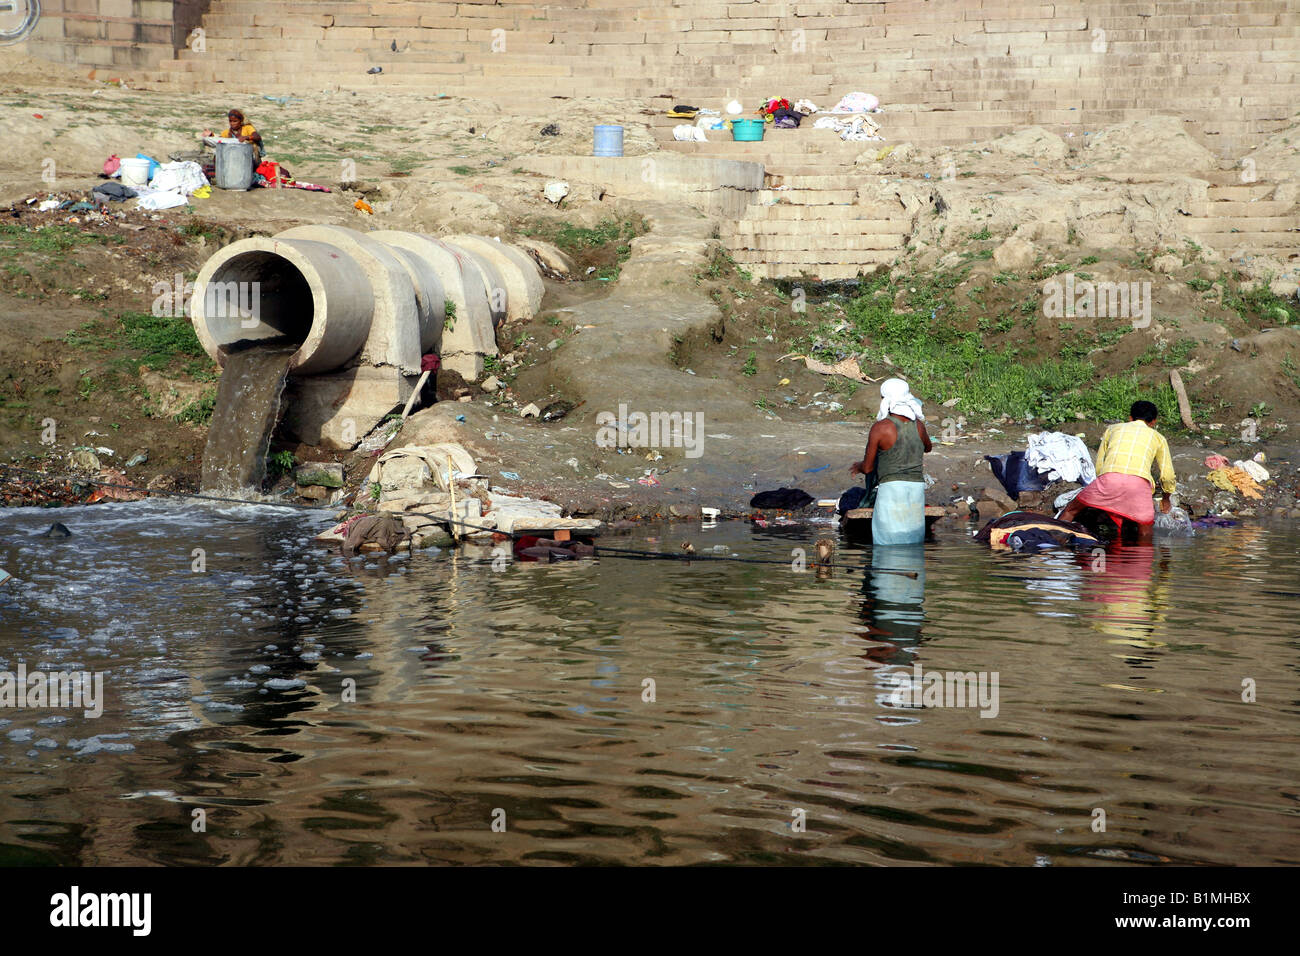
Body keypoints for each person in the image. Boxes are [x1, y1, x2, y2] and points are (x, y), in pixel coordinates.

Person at [1059, 400, 1176, 543]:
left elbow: (1100, 465)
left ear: (1130, 418)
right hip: (1139, 486)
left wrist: (1104, 489)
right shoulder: (1159, 438)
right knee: (1145, 530)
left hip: (1109, 479)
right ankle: (1142, 561)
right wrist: (1165, 499)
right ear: (1153, 422)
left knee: (1071, 510)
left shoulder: (1113, 429)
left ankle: (1053, 544)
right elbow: (1168, 476)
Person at [850, 377, 932, 545]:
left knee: (887, 541)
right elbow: (928, 447)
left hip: (892, 491)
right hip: (916, 489)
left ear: (886, 400)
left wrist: (858, 466)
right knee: (913, 541)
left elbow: (867, 468)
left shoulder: (881, 428)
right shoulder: (919, 426)